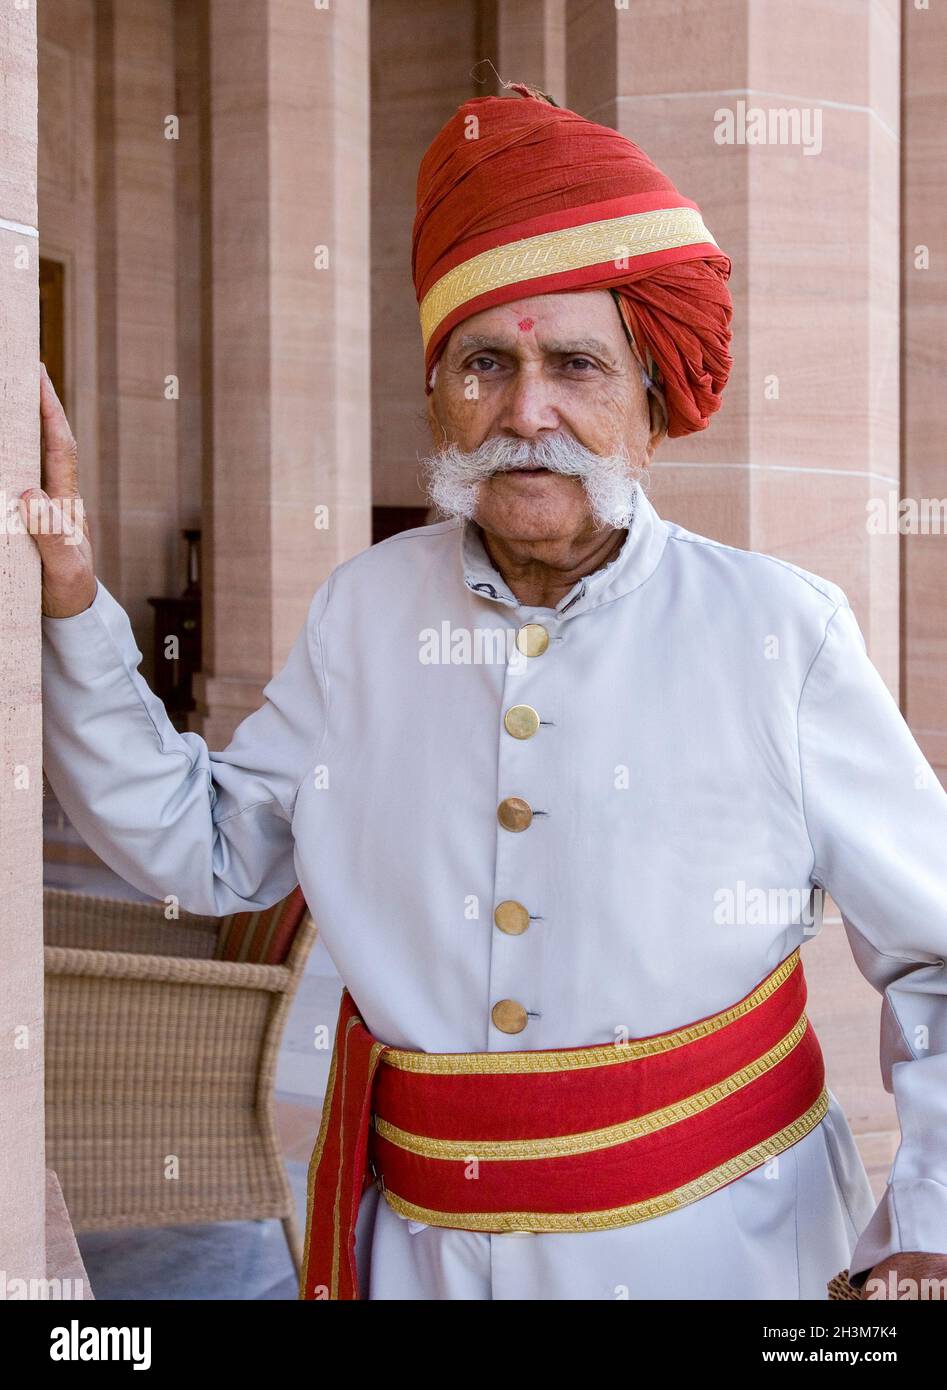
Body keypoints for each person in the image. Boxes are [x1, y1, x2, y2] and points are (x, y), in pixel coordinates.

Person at [28, 86, 947, 1301]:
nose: (527, 412)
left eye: (574, 365)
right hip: (425, 1260)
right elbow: (205, 849)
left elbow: (933, 952)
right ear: (435, 396)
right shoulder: (362, 611)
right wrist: (72, 601)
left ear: (653, 406)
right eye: (484, 364)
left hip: (731, 1256)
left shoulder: (781, 630)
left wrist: (924, 1224)